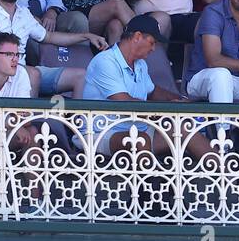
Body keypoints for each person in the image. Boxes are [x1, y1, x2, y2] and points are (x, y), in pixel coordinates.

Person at [80, 14, 212, 160]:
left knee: (183, 131)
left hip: (138, 130)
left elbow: (153, 91)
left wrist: (180, 101)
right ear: (137, 37)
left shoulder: (140, 63)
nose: (154, 48)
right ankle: (150, 184)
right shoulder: (105, 61)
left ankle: (228, 176)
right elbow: (123, 103)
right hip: (100, 133)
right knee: (140, 141)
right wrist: (166, 111)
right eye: (152, 42)